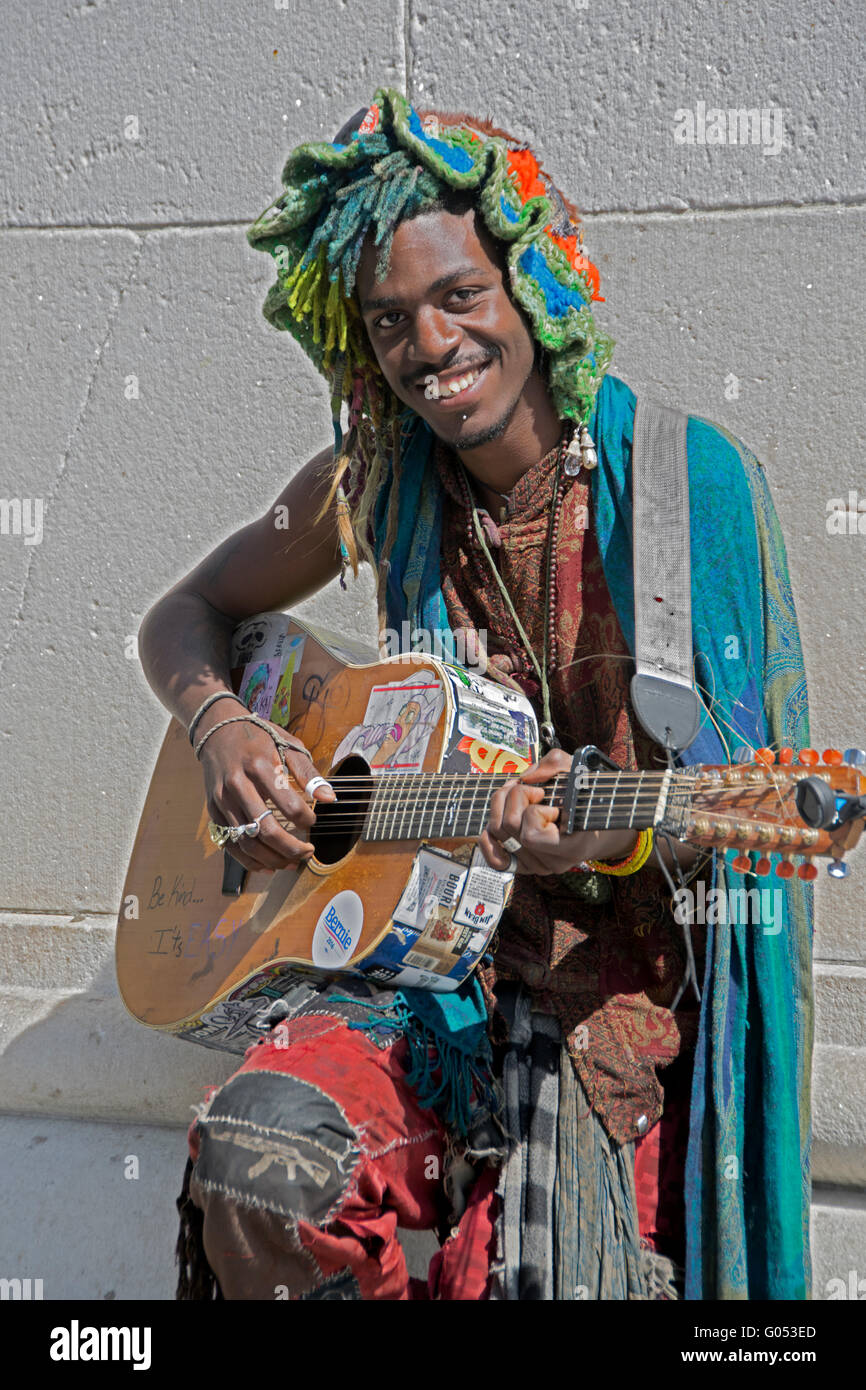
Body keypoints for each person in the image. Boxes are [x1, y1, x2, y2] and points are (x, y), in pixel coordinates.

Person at [139, 89, 814, 1300]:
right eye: (390, 320)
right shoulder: (371, 481)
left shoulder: (684, 486)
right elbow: (181, 615)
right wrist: (223, 721)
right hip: (420, 984)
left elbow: (731, 831)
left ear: (529, 286)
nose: (431, 346)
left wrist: (598, 841)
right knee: (259, 1159)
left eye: (459, 297)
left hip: (610, 1003)